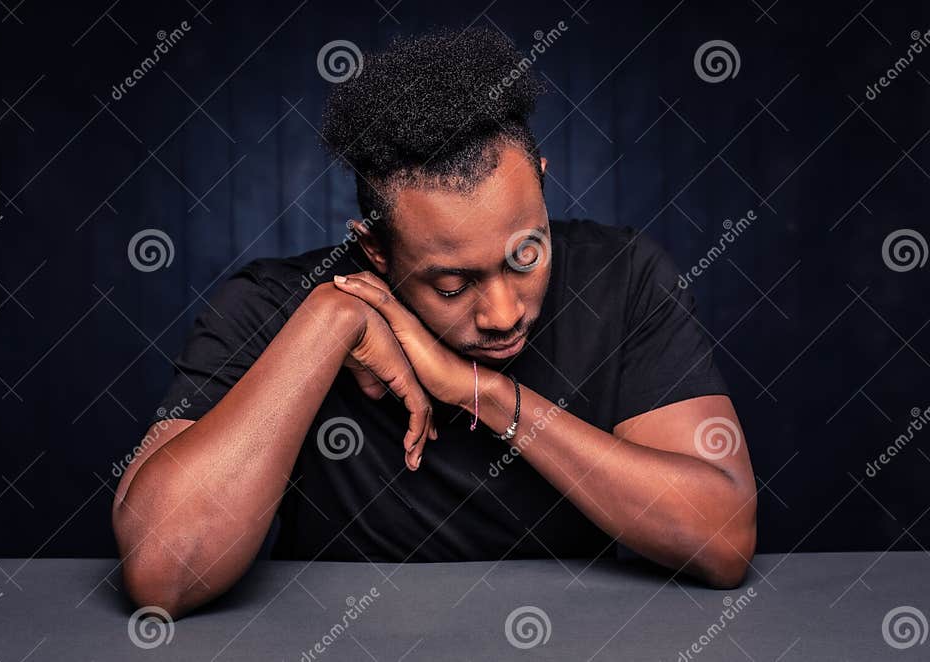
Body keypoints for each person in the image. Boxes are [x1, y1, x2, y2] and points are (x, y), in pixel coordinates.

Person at [112, 26, 756, 619]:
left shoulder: (623, 277)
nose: (503, 314)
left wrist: (485, 394)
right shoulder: (271, 307)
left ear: (541, 185)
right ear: (375, 251)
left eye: (526, 256)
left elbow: (724, 541)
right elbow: (163, 574)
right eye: (452, 285)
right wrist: (333, 318)